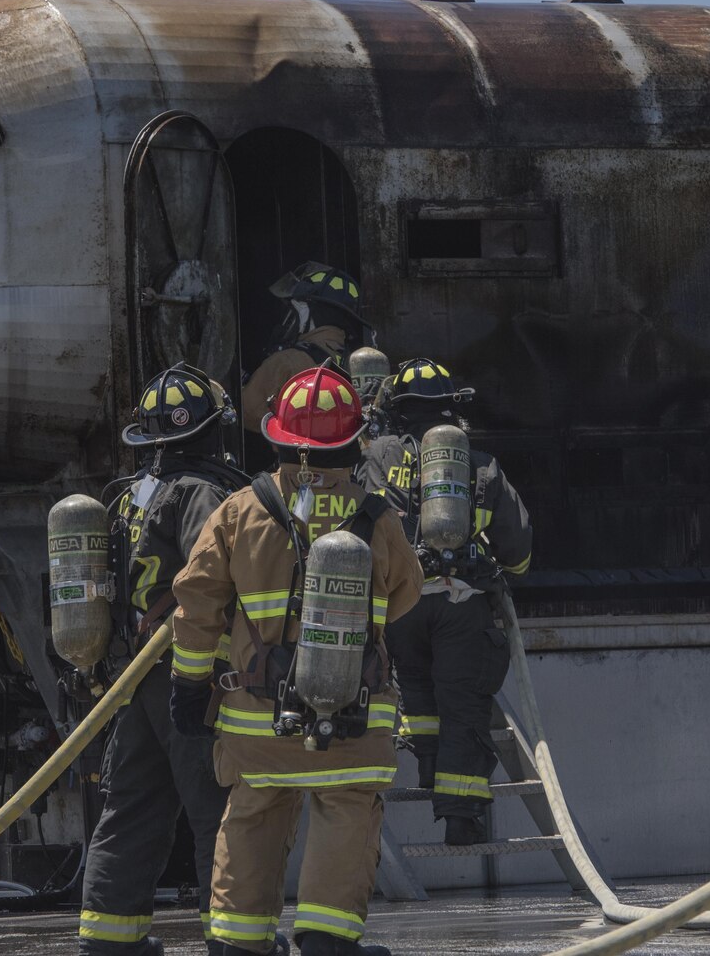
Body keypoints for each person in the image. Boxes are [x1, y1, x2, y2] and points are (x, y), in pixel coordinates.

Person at [171, 365, 423, 956]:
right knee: (344, 811)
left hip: (257, 724)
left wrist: (189, 684)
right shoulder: (378, 517)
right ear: (353, 440)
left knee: (253, 812)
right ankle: (328, 939)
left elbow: (196, 601)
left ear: (277, 437)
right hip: (352, 720)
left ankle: (238, 941)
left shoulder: (236, 512)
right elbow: (407, 590)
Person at [79, 364, 250, 956]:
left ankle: (108, 940)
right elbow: (211, 579)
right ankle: (232, 940)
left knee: (131, 809)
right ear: (209, 431)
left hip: (135, 680)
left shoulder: (131, 495)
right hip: (189, 672)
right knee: (218, 810)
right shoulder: (203, 492)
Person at [355, 358, 533, 846]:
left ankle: (428, 769)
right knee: (464, 705)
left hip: (402, 602)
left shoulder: (378, 455)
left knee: (415, 686)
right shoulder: (476, 460)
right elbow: (517, 546)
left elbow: (359, 524)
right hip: (463, 604)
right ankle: (461, 820)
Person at [241, 263, 373, 434]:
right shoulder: (354, 362)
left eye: (291, 310)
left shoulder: (287, 362)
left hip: (298, 458)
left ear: (308, 313)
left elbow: (245, 413)